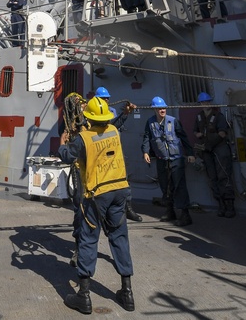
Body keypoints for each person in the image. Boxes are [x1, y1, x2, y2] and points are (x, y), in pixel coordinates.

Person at [58, 95, 135, 314]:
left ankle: (83, 296)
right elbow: (113, 126)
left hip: (96, 194)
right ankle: (127, 293)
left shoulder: (83, 138)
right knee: (119, 238)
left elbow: (67, 155)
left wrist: (62, 142)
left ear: (89, 118)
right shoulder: (114, 132)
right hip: (120, 191)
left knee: (88, 240)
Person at [142, 96, 195, 226]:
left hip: (176, 159)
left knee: (179, 186)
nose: (162, 110)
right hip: (162, 160)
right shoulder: (150, 123)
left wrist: (190, 153)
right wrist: (145, 152)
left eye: (164, 107)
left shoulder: (173, 121)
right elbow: (146, 138)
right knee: (165, 186)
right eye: (159, 108)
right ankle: (170, 211)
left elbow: (184, 138)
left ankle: (185, 215)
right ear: (154, 109)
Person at [193, 92, 236, 217]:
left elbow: (222, 133)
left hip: (220, 149)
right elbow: (195, 130)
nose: (205, 104)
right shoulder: (199, 117)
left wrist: (210, 143)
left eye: (207, 102)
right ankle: (221, 205)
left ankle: (230, 206)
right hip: (206, 151)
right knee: (212, 178)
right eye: (203, 102)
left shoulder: (218, 116)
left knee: (224, 176)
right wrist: (198, 135)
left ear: (210, 103)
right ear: (200, 104)